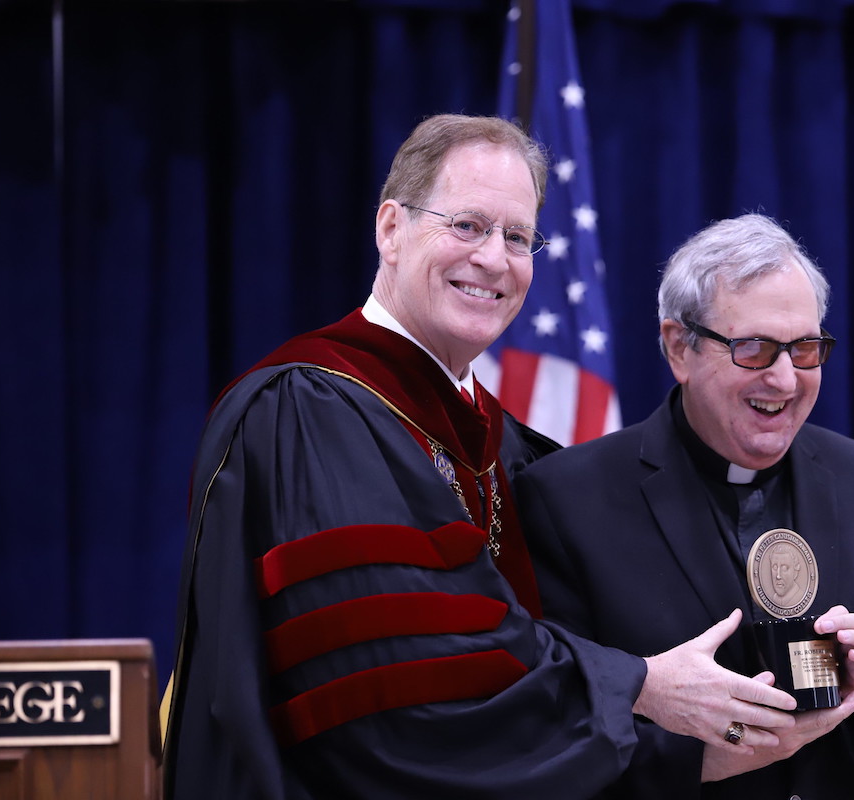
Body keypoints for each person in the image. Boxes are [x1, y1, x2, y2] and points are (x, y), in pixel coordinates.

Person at [160, 117, 798, 799]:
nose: (494, 259)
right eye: (467, 226)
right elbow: (396, 683)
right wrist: (638, 685)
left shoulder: (508, 447)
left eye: (518, 237)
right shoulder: (311, 411)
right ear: (390, 229)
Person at [513, 214, 854, 798]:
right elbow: (543, 734)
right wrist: (698, 761)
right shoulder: (567, 500)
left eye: (804, 348)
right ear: (680, 348)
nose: (784, 379)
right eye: (754, 349)